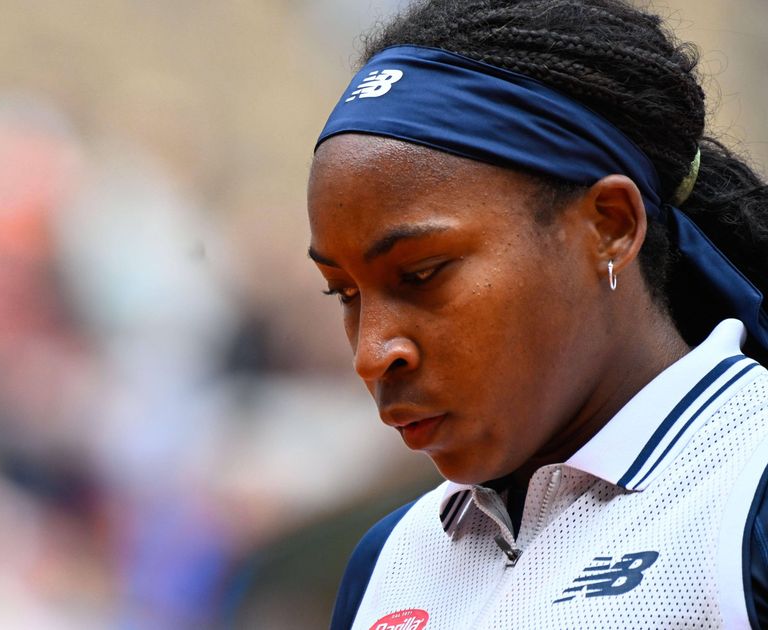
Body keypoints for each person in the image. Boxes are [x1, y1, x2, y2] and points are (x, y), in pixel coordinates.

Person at [306, 1, 768, 628]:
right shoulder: (387, 561)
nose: (372, 353)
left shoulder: (746, 487)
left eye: (420, 275)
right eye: (345, 293)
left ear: (610, 226)